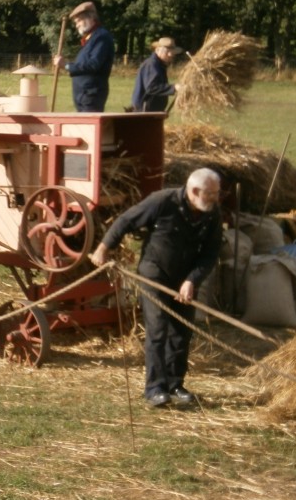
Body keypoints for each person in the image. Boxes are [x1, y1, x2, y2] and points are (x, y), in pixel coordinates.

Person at [89, 168, 222, 408]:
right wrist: (103, 248)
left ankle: (175, 384)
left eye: (216, 193)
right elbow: (126, 221)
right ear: (193, 191)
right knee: (158, 330)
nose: (214, 198)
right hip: (155, 273)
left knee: (181, 332)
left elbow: (211, 254)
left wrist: (192, 280)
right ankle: (155, 389)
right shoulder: (162, 201)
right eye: (210, 193)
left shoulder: (212, 214)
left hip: (185, 279)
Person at [53, 1, 115, 112]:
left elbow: (93, 64)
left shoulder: (101, 37)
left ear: (90, 18)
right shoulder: (90, 39)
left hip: (91, 95)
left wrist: (66, 65)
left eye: (78, 21)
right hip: (84, 96)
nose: (77, 25)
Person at [130, 37, 182, 112]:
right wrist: (174, 88)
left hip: (151, 111)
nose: (170, 55)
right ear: (157, 50)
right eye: (167, 52)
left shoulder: (160, 65)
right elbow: (151, 87)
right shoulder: (151, 64)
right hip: (144, 111)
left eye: (172, 52)